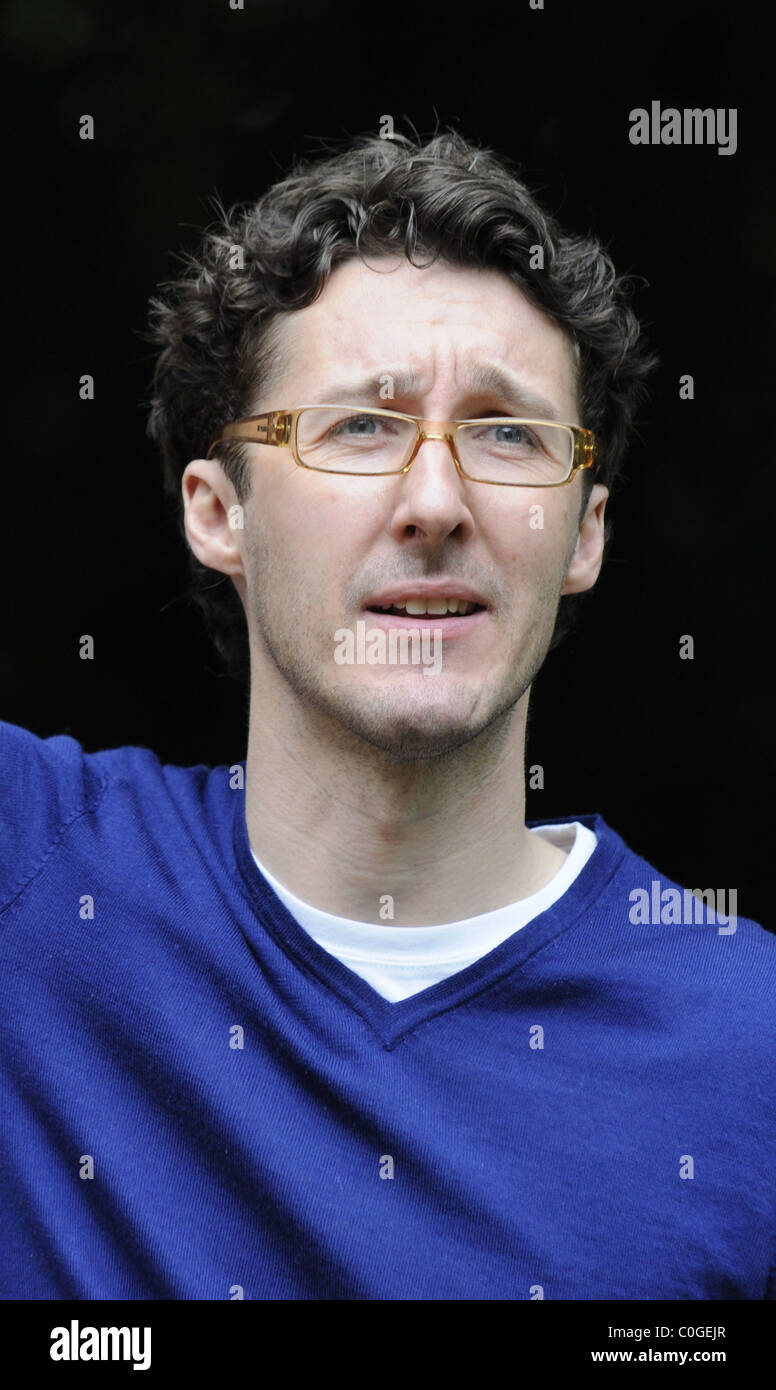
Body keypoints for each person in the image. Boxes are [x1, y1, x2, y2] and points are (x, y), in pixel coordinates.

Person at [1, 131, 773, 1302]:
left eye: (505, 433)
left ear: (585, 533)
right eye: (359, 425)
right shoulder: (33, 870)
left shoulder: (748, 1046)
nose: (433, 502)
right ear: (218, 513)